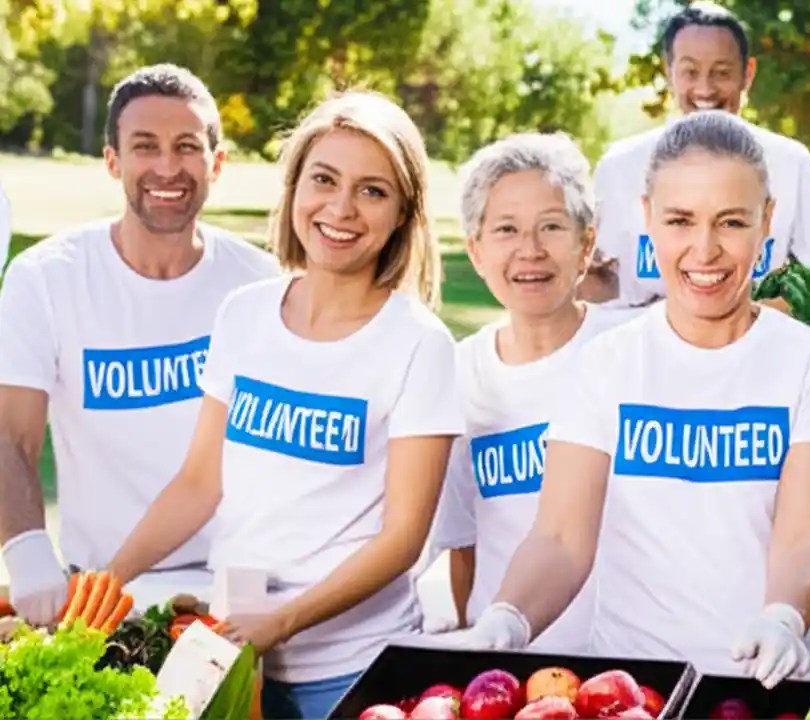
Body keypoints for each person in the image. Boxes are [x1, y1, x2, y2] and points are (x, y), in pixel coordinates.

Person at [434, 111, 810, 690]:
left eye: (731, 222)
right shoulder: (606, 361)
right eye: (680, 220)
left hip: (766, 684)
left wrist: (784, 616)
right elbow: (559, 537)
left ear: (768, 223)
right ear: (647, 218)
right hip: (631, 690)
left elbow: (806, 536)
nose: (704, 250)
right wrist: (509, 616)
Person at [107, 90, 464, 719]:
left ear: (404, 212)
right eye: (323, 179)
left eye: (373, 191)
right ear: (295, 187)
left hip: (352, 670)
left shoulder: (418, 344)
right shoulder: (243, 315)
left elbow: (404, 538)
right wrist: (107, 583)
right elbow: (198, 483)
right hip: (234, 656)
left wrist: (285, 620)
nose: (341, 208)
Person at [0, 64, 279, 627]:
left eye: (186, 147)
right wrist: (26, 551)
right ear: (113, 161)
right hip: (98, 593)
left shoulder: (260, 281)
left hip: (233, 593)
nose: (167, 167)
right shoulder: (47, 278)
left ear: (217, 163)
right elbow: (10, 433)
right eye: (144, 146)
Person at [425, 132, 642, 652]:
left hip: (628, 663)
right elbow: (463, 546)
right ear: (475, 251)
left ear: (586, 244)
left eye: (551, 227)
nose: (531, 250)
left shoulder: (632, 351)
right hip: (513, 663)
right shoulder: (457, 377)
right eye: (506, 230)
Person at [582, 1, 810, 308]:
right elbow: (594, 281)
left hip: (751, 347)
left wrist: (770, 310)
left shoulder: (790, 162)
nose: (705, 88)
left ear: (747, 73)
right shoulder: (619, 166)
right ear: (668, 71)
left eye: (721, 72)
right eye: (690, 71)